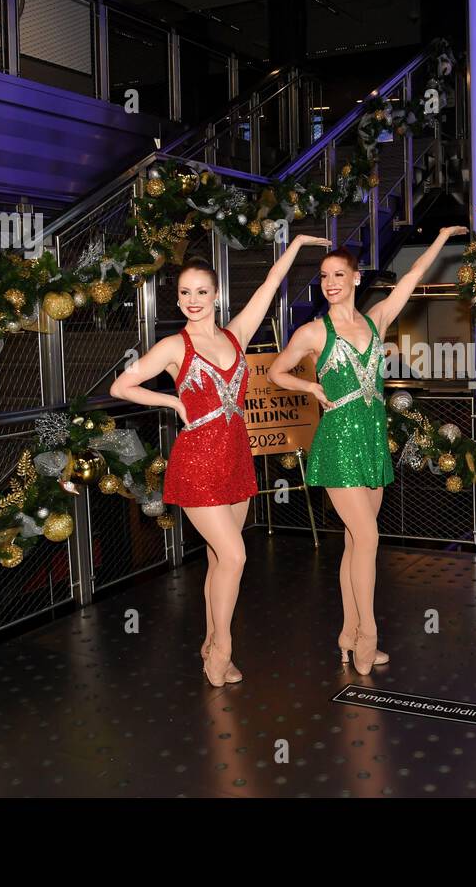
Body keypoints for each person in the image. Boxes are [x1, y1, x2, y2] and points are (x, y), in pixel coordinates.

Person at [109, 233, 331, 687]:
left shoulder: (236, 335)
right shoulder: (174, 346)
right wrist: (173, 404)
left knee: (217, 561)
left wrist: (297, 244)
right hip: (196, 464)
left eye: (202, 292)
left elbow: (270, 284)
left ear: (217, 295)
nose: (193, 300)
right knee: (235, 556)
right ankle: (222, 652)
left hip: (235, 461)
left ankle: (212, 642)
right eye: (185, 293)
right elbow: (121, 387)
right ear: (178, 298)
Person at [269, 226, 468, 675]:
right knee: (369, 539)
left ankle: (347, 632)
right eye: (324, 276)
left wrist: (439, 239)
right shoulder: (313, 332)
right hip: (338, 442)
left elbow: (413, 277)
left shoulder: (376, 319)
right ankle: (368, 638)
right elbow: (277, 371)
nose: (331, 282)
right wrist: (311, 386)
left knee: (355, 543)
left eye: (339, 274)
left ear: (356, 278)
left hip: (372, 441)